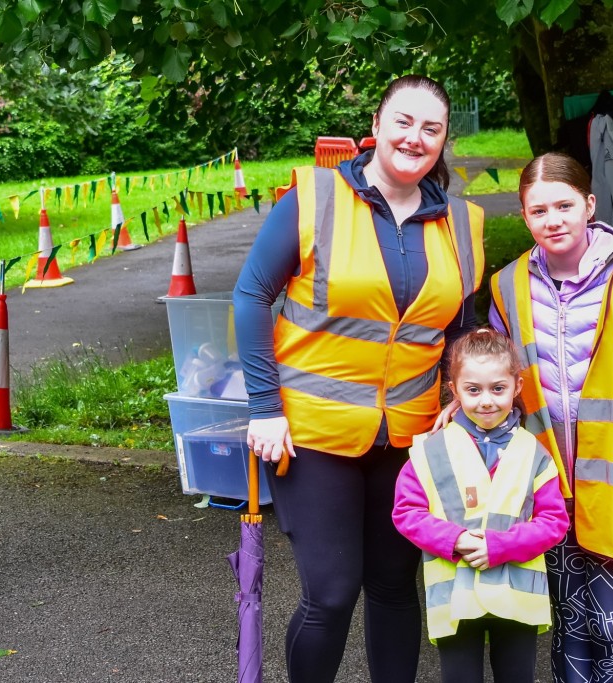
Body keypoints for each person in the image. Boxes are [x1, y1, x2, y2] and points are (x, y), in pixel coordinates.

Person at [232, 74, 485, 683]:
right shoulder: (315, 197)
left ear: (443, 140)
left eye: (431, 128)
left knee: (395, 585)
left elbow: (460, 329)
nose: (414, 137)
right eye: (403, 121)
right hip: (312, 433)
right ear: (376, 126)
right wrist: (264, 407)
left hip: (410, 436)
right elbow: (251, 295)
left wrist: (461, 399)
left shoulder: (462, 222)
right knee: (332, 592)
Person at [490, 152, 613, 683]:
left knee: (611, 625)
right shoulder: (506, 287)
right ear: (524, 216)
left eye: (564, 205)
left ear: (590, 205)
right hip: (546, 492)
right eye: (538, 210)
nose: (553, 220)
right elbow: (495, 386)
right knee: (568, 625)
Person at [393, 328, 569, 683]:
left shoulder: (534, 452)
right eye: (473, 390)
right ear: (454, 390)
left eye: (497, 388)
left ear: (517, 387)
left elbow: (554, 521)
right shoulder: (429, 450)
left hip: (517, 598)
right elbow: (407, 512)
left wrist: (500, 546)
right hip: (456, 599)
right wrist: (455, 539)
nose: (486, 401)